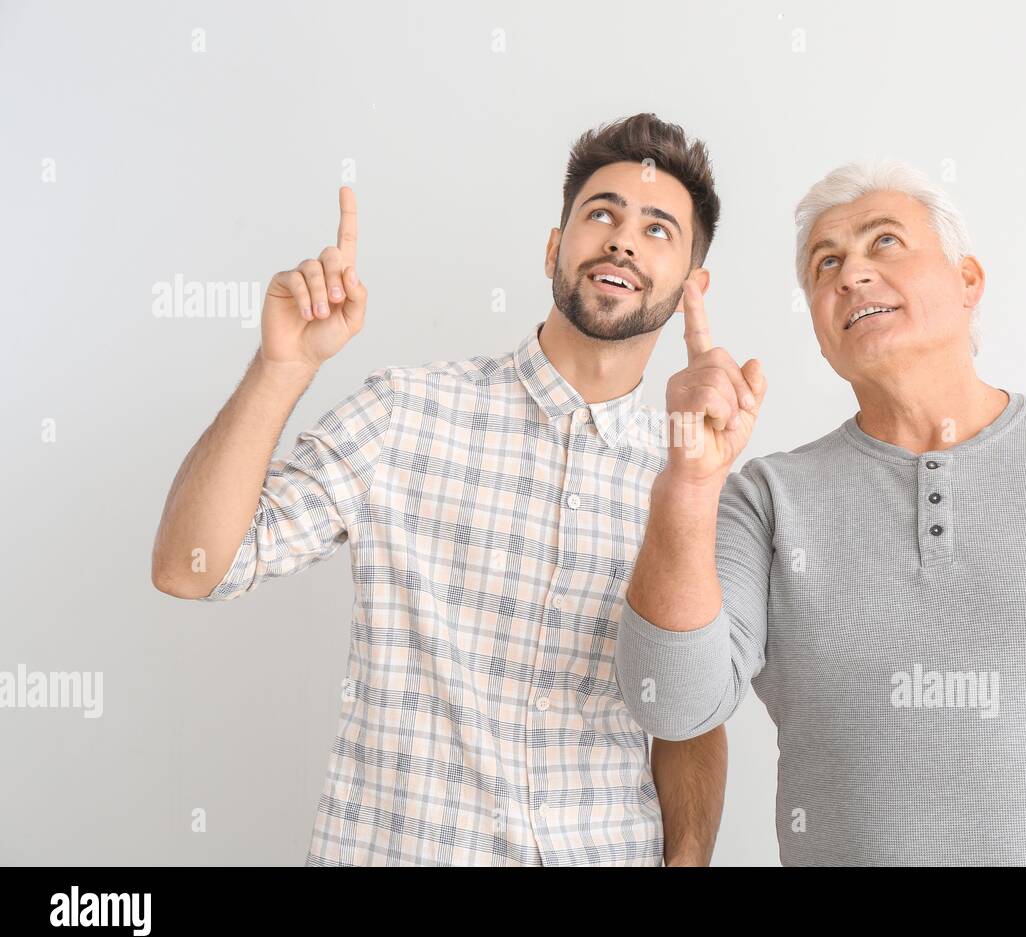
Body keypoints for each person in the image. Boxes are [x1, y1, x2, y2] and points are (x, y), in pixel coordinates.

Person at [614, 160, 1026, 866]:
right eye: (825, 264)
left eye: (885, 243)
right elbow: (675, 704)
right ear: (817, 325)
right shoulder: (766, 500)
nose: (850, 274)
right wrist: (688, 481)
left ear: (968, 282)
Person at [152, 113, 727, 867]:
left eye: (658, 229)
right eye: (602, 213)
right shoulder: (405, 412)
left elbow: (691, 712)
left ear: (692, 286)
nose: (622, 238)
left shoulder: (694, 472)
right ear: (555, 248)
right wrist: (283, 366)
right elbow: (191, 568)